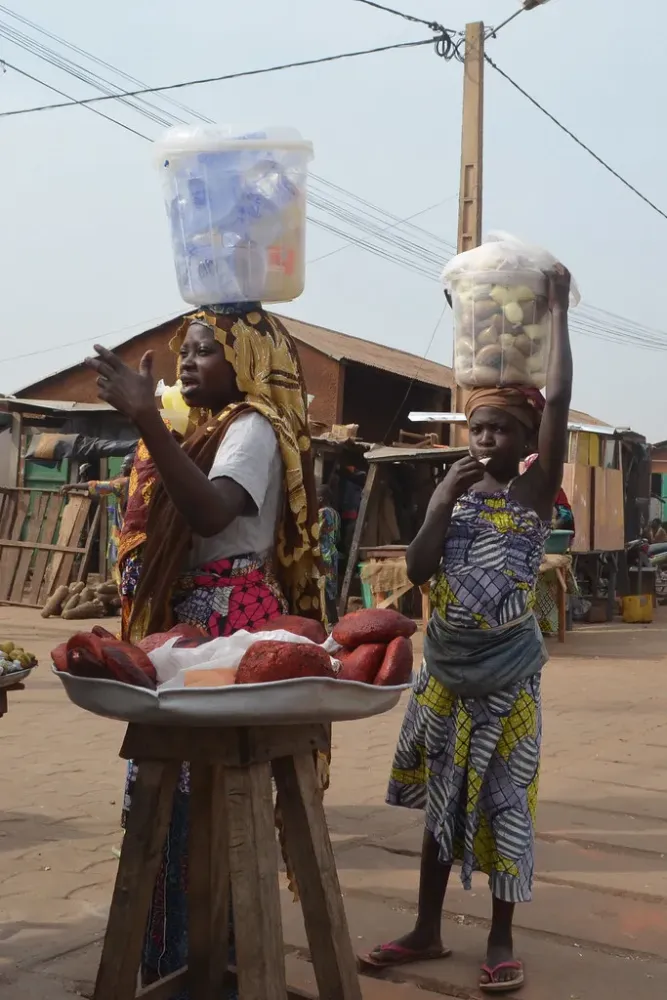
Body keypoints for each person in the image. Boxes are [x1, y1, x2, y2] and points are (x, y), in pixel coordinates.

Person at [86, 304, 326, 1000]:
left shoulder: (250, 429)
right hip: (196, 622)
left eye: (203, 351)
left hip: (224, 625)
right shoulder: (211, 427)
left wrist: (146, 419)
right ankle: (184, 964)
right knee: (180, 802)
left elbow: (212, 512)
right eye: (184, 351)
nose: (187, 363)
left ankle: (204, 965)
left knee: (200, 802)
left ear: (245, 363)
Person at [364, 266, 573, 993]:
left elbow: (559, 402)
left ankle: (501, 937)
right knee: (440, 806)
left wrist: (555, 314)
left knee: (507, 805)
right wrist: (437, 504)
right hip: (444, 676)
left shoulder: (533, 491)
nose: (485, 437)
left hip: (506, 681)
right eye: (477, 426)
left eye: (501, 429)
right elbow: (418, 571)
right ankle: (425, 928)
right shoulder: (448, 493)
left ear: (526, 443)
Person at [523, 453, 577, 636]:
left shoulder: (555, 491)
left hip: (554, 542)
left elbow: (566, 518)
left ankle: (550, 624)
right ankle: (532, 624)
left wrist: (551, 526)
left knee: (551, 585)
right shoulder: (522, 490)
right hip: (530, 543)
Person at [62, 449, 136, 584]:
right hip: (138, 534)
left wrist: (72, 485)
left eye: (125, 464)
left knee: (122, 567)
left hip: (124, 533)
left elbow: (96, 486)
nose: (122, 466)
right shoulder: (143, 482)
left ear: (132, 466)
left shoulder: (124, 483)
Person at [317, 483, 341, 624]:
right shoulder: (335, 513)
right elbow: (338, 536)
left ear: (320, 498)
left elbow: (316, 533)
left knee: (324, 586)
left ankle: (330, 620)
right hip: (332, 551)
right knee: (331, 587)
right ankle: (334, 619)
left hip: (324, 553)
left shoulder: (322, 513)